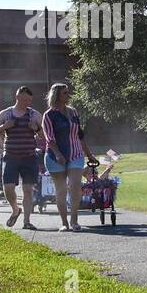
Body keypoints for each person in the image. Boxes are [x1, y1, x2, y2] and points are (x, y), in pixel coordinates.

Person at [42, 83, 97, 232]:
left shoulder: (73, 112)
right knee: (61, 190)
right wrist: (59, 154)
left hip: (76, 155)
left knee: (75, 187)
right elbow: (50, 139)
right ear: (57, 95)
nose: (68, 95)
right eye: (65, 93)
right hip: (55, 156)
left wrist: (89, 155)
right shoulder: (48, 115)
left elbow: (80, 135)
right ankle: (64, 223)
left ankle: (74, 220)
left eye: (68, 92)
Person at [0, 86, 44, 230]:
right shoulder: (6, 114)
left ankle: (26, 221)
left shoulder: (34, 115)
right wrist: (5, 126)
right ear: (17, 97)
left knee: (28, 189)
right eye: (24, 99)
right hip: (11, 156)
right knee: (8, 188)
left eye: (29, 100)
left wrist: (37, 128)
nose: (27, 102)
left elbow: (44, 135)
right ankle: (16, 209)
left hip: (29, 156)